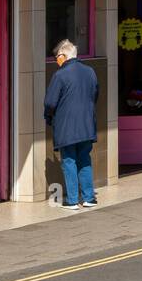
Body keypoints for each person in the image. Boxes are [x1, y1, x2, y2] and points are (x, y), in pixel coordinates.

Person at [43, 39, 99, 212]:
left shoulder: (60, 75)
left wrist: (48, 116)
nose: (56, 60)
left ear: (64, 56)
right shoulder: (90, 72)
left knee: (69, 161)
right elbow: (95, 95)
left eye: (57, 57)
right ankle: (89, 198)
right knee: (84, 160)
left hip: (67, 126)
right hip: (87, 125)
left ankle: (73, 200)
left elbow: (50, 102)